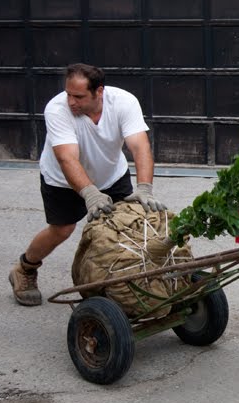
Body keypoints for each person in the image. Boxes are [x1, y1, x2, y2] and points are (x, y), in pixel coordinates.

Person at [9, 63, 165, 306]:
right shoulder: (57, 109)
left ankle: (122, 279)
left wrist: (144, 187)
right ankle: (25, 269)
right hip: (63, 180)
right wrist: (90, 194)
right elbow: (66, 158)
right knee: (62, 230)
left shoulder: (124, 102)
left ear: (99, 91)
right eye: (68, 94)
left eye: (79, 96)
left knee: (129, 224)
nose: (71, 101)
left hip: (112, 175)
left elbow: (139, 146)